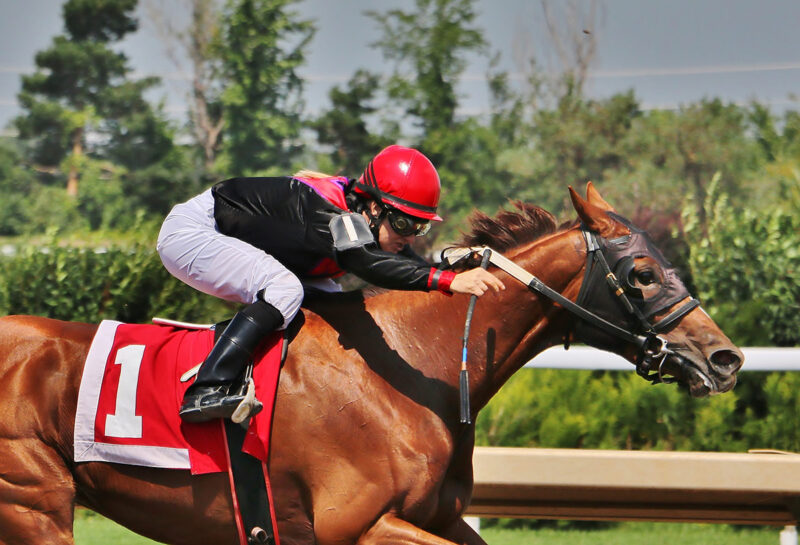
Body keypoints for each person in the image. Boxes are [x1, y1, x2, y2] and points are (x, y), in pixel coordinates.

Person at [157, 145, 505, 423]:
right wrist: (446, 281)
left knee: (340, 306)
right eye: (402, 224)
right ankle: (207, 387)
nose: (410, 237)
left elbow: (396, 262)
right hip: (194, 233)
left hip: (243, 244)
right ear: (372, 207)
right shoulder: (327, 212)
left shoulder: (355, 215)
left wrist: (447, 264)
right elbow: (368, 262)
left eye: (420, 228)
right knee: (284, 289)